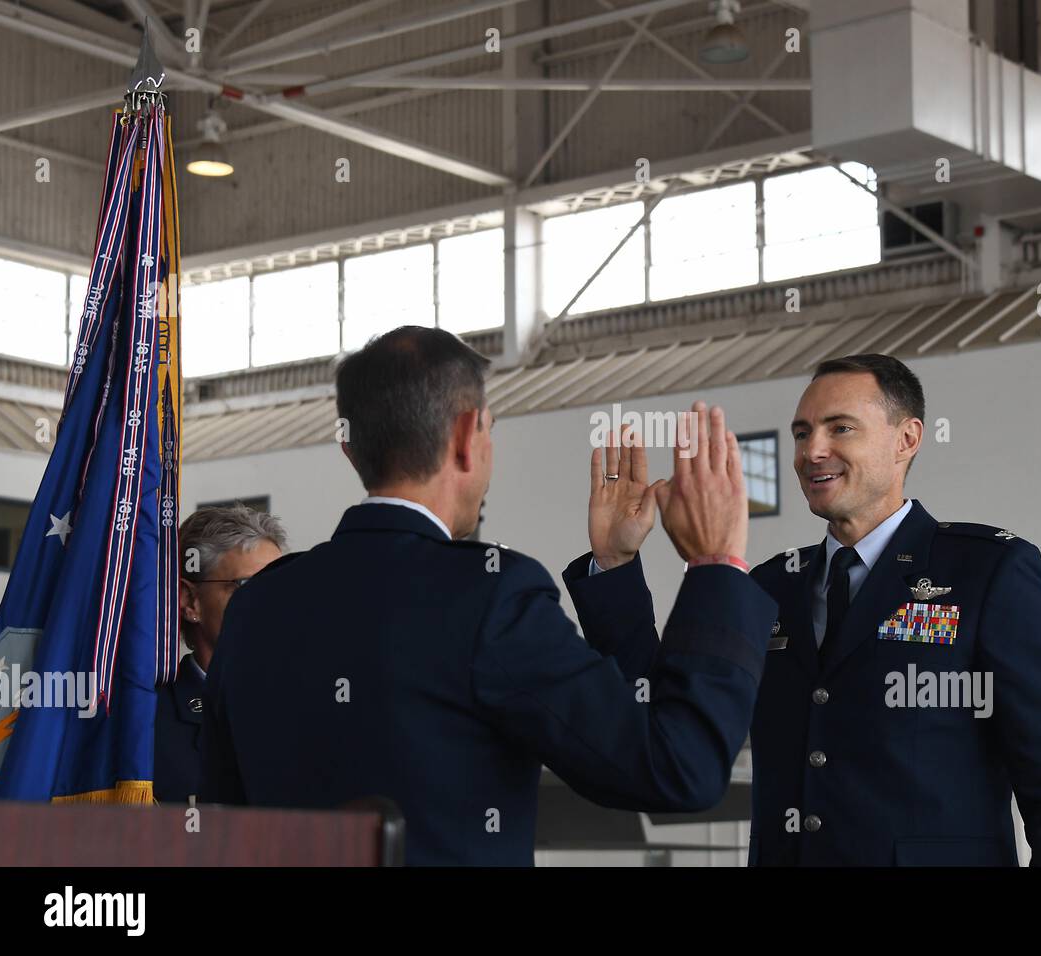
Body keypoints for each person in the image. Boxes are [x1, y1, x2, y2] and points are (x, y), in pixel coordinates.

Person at [198, 326, 775, 866]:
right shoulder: (490, 597)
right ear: (465, 437)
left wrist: (614, 566)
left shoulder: (255, 606)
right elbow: (676, 766)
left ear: (352, 449)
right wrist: (715, 564)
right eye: (491, 428)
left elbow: (221, 820)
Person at [564, 353, 1041, 866]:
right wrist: (614, 563)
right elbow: (663, 721)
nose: (812, 451)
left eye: (839, 428)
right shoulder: (770, 586)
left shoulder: (987, 573)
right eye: (802, 434)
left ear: (907, 438)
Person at [153, 503, 286, 804]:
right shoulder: (146, 721)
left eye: (281, 587)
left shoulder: (314, 703)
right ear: (190, 601)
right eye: (250, 587)